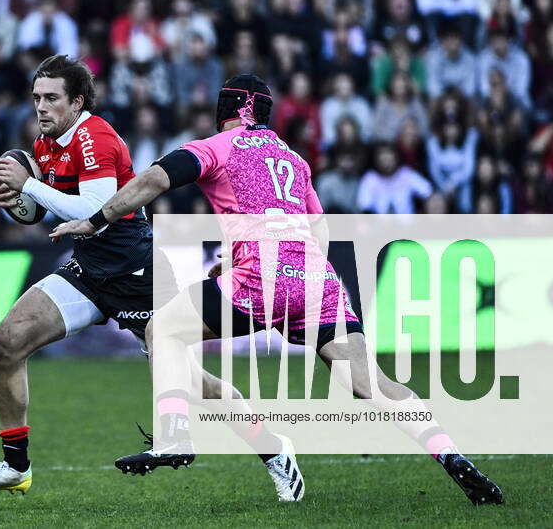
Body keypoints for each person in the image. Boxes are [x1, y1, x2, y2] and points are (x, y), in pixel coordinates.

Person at [50, 73, 504, 506]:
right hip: (318, 282)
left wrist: (95, 221)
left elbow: (152, 181)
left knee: (163, 330)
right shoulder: (294, 158)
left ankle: (173, 438)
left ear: (225, 107)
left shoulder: (217, 146)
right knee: (370, 383)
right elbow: (320, 232)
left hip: (261, 280)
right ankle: (450, 454)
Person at [0, 56, 288, 497]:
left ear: (76, 102)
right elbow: (40, 212)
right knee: (5, 344)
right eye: (36, 98)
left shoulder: (95, 137)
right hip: (88, 272)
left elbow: (95, 213)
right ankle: (16, 467)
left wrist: (28, 185)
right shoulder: (45, 143)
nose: (41, 107)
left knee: (193, 384)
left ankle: (273, 448)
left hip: (138, 270)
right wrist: (6, 196)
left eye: (51, 98)